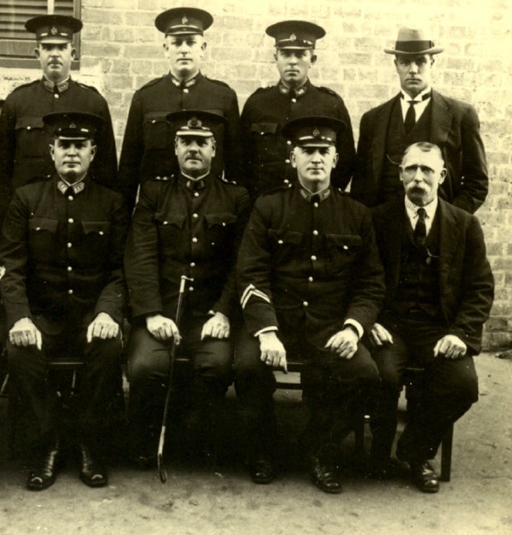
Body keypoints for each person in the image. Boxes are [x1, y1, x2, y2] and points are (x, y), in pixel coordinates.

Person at [233, 116, 385, 493]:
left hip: (330, 328)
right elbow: (251, 274)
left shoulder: (356, 214)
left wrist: (353, 328)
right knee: (247, 366)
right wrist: (266, 332)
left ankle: (319, 447)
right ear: (293, 158)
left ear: (336, 159)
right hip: (277, 324)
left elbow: (371, 283)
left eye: (324, 152)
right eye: (307, 151)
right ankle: (264, 448)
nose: (316, 159)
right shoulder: (268, 208)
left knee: (364, 373)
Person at [0, 111, 128, 491]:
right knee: (20, 351)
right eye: (64, 146)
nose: (72, 153)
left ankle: (90, 443)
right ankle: (46, 444)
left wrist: (107, 311)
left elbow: (121, 270)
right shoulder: (26, 199)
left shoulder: (112, 203)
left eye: (80, 146)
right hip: (43, 315)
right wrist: (20, 317)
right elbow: (11, 267)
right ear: (52, 152)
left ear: (93, 153)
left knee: (107, 346)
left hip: (92, 312)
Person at [124, 110, 251, 468]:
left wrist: (225, 311)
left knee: (215, 365)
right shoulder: (153, 194)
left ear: (214, 150)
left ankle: (193, 441)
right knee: (146, 368)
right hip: (161, 313)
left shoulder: (236, 198)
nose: (193, 149)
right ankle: (144, 442)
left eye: (201, 143)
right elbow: (141, 255)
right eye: (186, 142)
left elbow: (241, 263)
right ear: (175, 148)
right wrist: (150, 313)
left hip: (209, 316)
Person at [367, 141, 494, 493]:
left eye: (427, 170)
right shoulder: (378, 220)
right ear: (400, 174)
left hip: (439, 330)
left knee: (462, 385)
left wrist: (460, 333)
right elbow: (361, 278)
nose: (418, 178)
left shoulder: (464, 225)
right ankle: (378, 451)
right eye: (411, 169)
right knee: (381, 375)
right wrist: (370, 320)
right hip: (388, 326)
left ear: (442, 176)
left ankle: (415, 451)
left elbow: (480, 288)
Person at [351, 27, 488, 214]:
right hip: (384, 232)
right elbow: (360, 185)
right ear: (396, 65)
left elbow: (477, 183)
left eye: (420, 62)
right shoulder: (373, 120)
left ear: (432, 63)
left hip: (438, 231)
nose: (413, 70)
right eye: (405, 62)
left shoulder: (461, 116)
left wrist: (450, 219)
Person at [117, 7, 240, 212]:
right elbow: (129, 168)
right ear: (166, 48)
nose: (184, 49)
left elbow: (236, 167)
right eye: (176, 42)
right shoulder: (146, 97)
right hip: (158, 210)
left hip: (209, 211)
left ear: (203, 47)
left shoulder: (224, 97)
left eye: (191, 42)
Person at [0, 14, 117, 211]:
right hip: (28, 212)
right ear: (37, 53)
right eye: (48, 47)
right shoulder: (17, 102)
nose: (55, 54)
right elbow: (1, 169)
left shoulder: (93, 103)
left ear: (73, 53)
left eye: (61, 47)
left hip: (80, 210)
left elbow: (106, 169)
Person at [236, 20, 354, 199]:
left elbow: (345, 162)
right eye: (285, 54)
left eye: (300, 55)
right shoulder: (257, 104)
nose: (292, 61)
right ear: (276, 58)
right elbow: (240, 161)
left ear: (312, 60)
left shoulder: (331, 104)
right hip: (264, 207)